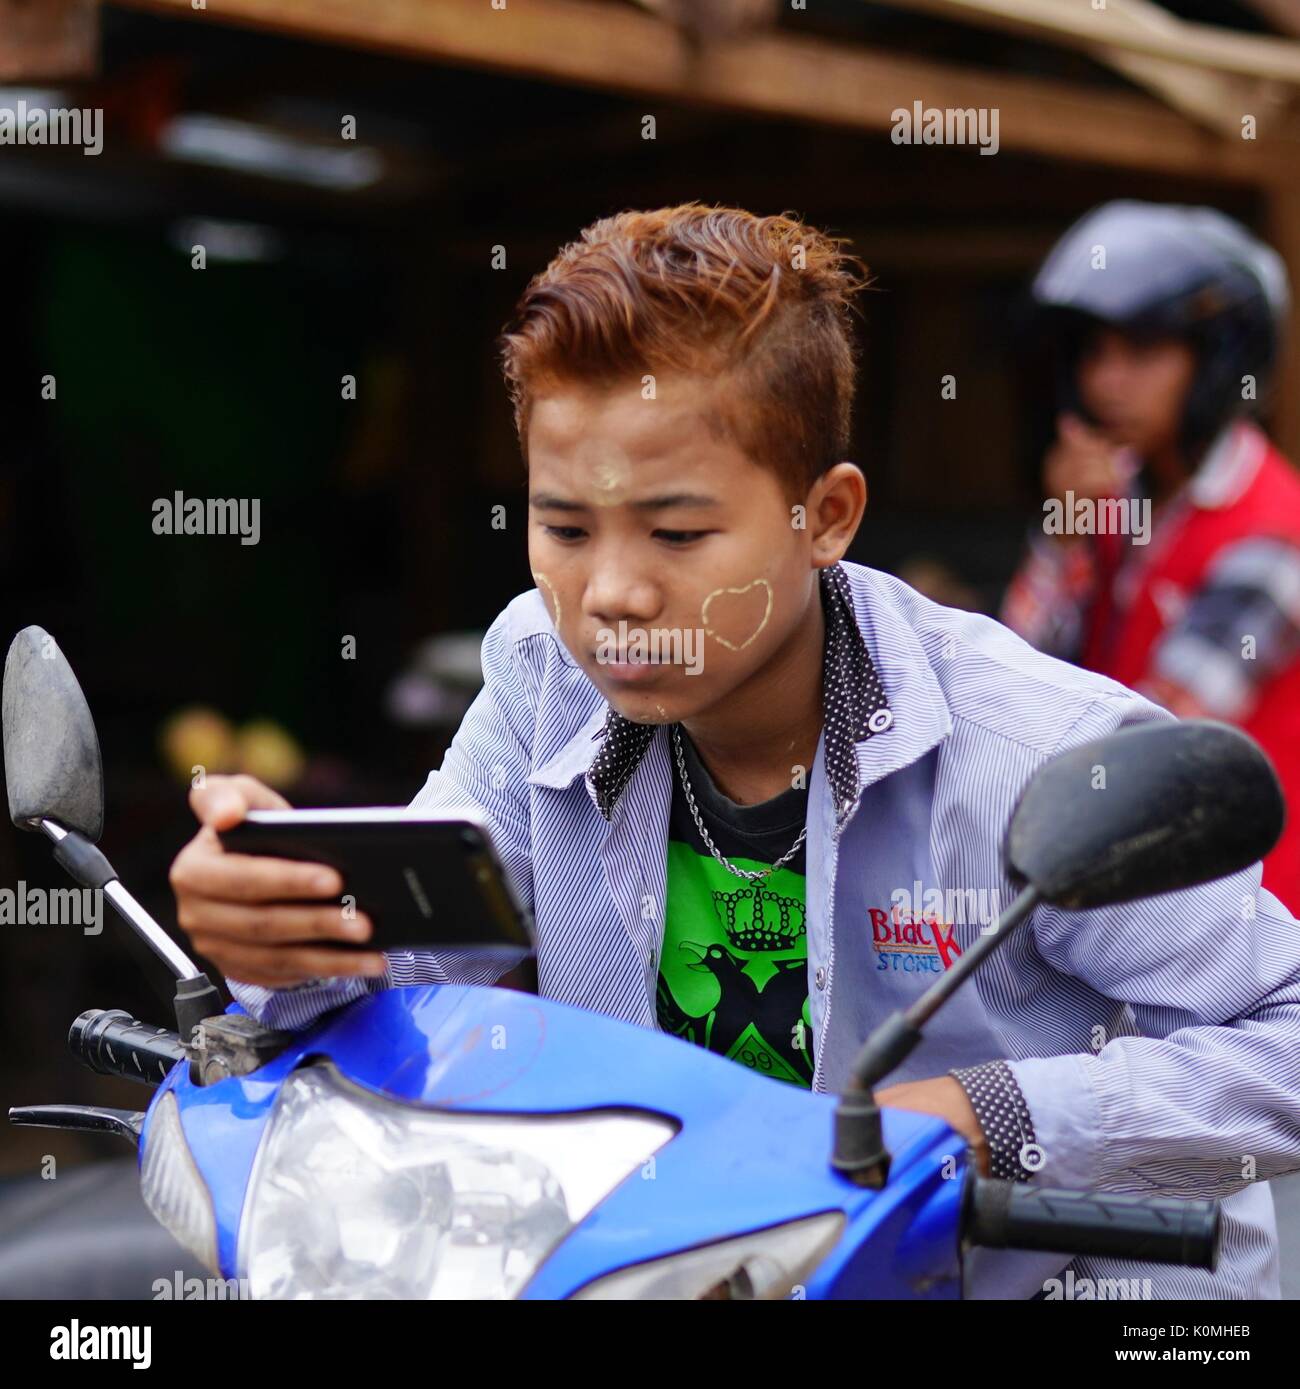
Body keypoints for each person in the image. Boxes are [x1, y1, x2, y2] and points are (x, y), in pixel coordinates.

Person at [169, 202, 1300, 1298]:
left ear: (828, 514)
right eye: (562, 528)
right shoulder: (539, 673)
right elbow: (419, 943)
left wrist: (990, 1116)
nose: (609, 592)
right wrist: (286, 932)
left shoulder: (1039, 753)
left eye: (676, 532)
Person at [1001, 200, 1300, 911]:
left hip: (1244, 932)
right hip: (1130, 898)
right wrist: (1064, 533)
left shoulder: (1272, 537)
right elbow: (1012, 677)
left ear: (1218, 360)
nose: (1106, 381)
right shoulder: (1113, 501)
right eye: (1095, 353)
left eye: (1141, 351)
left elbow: (1148, 758)